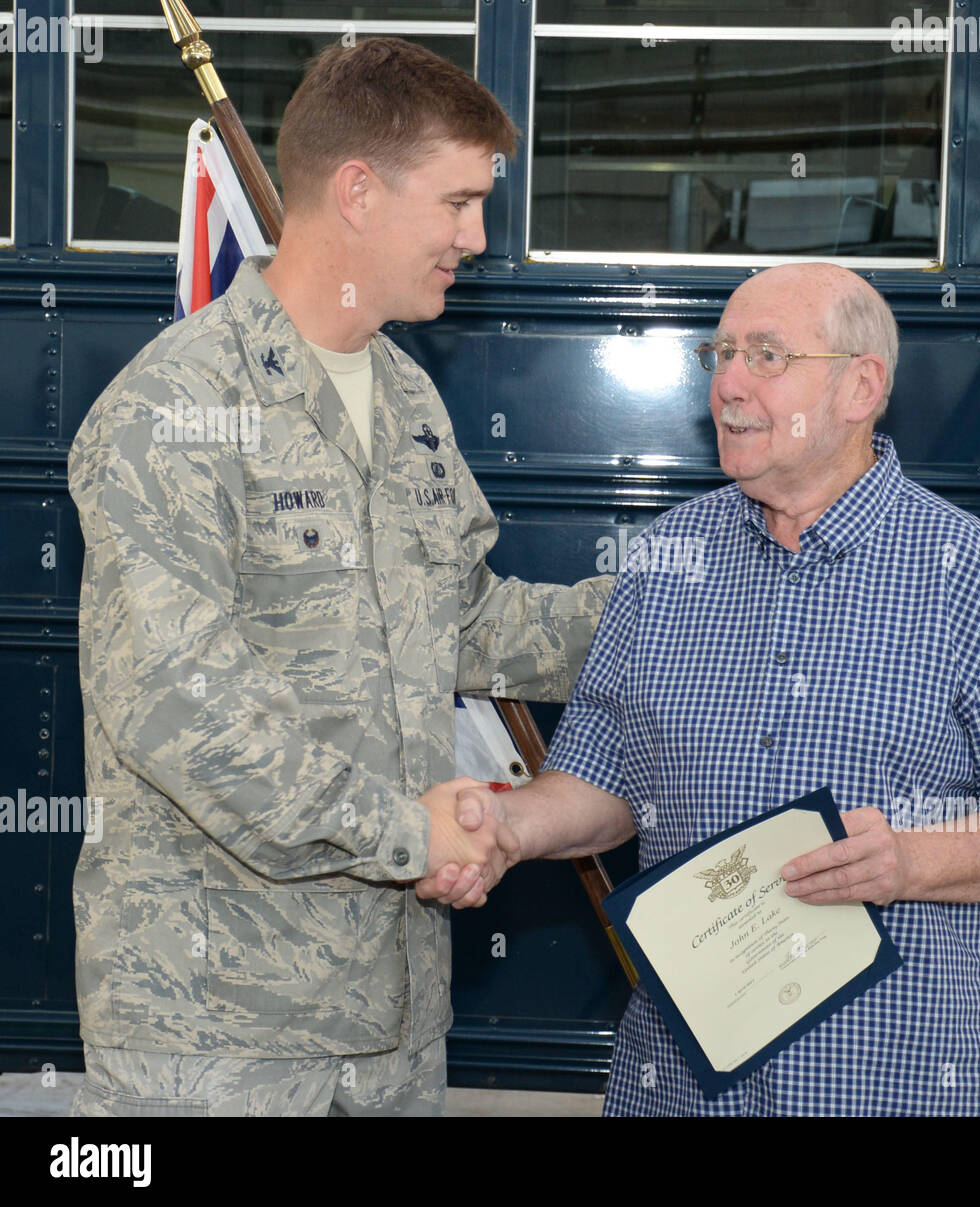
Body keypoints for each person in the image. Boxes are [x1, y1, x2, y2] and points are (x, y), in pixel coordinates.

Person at [67, 38, 605, 1117]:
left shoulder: (406, 398)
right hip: (218, 1032)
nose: (476, 237)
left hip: (396, 1020)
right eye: (456, 201)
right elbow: (185, 711)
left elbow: (468, 623)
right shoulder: (174, 408)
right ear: (357, 190)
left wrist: (685, 607)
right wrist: (417, 836)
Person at [421, 262, 980, 1116]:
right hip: (685, 1089)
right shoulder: (668, 558)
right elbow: (608, 780)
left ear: (860, 385)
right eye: (722, 352)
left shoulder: (968, 574)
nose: (728, 382)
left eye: (767, 355)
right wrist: (505, 826)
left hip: (896, 1086)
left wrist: (909, 857)